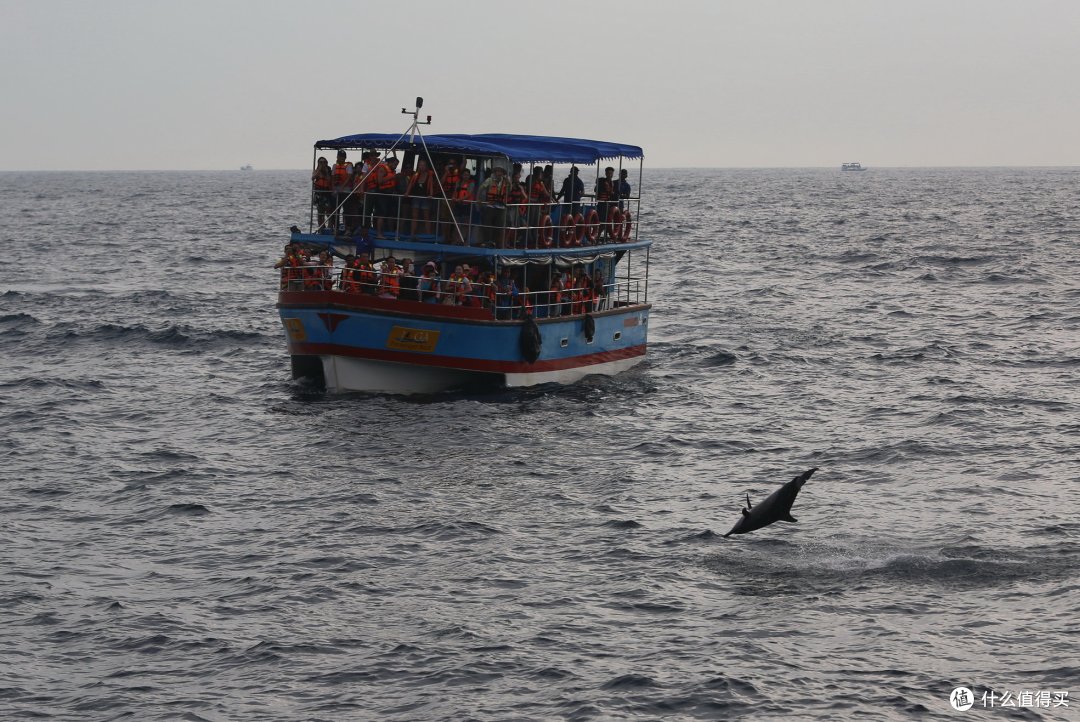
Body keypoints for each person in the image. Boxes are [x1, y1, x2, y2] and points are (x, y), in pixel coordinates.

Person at [477, 165, 510, 247]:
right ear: (495, 172)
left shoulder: (505, 181)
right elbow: (481, 188)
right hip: (491, 206)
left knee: (500, 226)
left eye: (500, 171)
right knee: (487, 224)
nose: (498, 173)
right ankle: (487, 242)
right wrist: (478, 198)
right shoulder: (489, 180)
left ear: (503, 173)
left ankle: (498, 243)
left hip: (501, 207)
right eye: (497, 171)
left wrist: (509, 182)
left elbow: (509, 190)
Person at [404, 158, 435, 238]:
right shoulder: (415, 175)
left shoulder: (429, 175)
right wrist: (407, 193)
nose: (421, 167)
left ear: (426, 166)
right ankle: (412, 234)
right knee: (414, 216)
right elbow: (411, 184)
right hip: (416, 197)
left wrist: (431, 194)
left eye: (423, 165)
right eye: (420, 165)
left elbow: (431, 185)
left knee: (426, 217)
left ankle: (428, 235)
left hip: (425, 198)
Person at [450, 168, 475, 245]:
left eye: (467, 175)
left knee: (466, 224)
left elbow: (469, 193)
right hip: (458, 204)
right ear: (462, 175)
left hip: (466, 205)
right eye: (464, 175)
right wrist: (454, 198)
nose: (466, 176)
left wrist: (460, 199)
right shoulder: (458, 182)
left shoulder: (471, 183)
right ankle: (456, 240)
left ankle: (466, 240)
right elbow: (455, 191)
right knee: (457, 223)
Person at [505, 168, 529, 249]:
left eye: (518, 178)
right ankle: (506, 242)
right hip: (510, 207)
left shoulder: (520, 187)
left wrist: (522, 190)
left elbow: (525, 197)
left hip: (517, 208)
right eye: (516, 178)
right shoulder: (509, 185)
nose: (517, 179)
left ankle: (515, 241)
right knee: (510, 225)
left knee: (519, 225)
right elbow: (507, 193)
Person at [330, 151, 353, 232]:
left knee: (347, 210)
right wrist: (333, 188)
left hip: (345, 191)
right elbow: (332, 177)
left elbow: (349, 177)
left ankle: (348, 228)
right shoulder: (334, 166)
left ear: (345, 158)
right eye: (339, 156)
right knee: (335, 210)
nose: (341, 158)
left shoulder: (348, 166)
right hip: (336, 191)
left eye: (343, 156)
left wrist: (342, 187)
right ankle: (336, 227)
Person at [311, 157, 334, 229]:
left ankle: (330, 227)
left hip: (326, 193)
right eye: (320, 162)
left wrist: (326, 171)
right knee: (320, 213)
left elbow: (330, 180)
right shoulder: (316, 171)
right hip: (319, 194)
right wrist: (319, 169)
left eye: (324, 162)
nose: (322, 163)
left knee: (329, 211)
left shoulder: (328, 171)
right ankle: (321, 228)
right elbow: (313, 178)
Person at [596, 166, 616, 239]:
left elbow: (611, 192)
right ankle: (597, 236)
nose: (610, 175)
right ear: (606, 173)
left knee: (606, 220)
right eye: (608, 173)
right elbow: (598, 190)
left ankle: (599, 235)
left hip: (607, 203)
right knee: (603, 220)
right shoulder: (602, 182)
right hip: (602, 203)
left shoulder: (611, 183)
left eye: (611, 173)